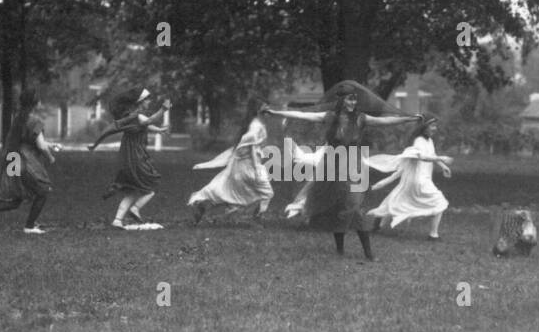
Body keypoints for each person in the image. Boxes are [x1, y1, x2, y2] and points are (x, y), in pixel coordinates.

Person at [263, 81, 422, 260]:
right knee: (339, 208)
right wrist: (276, 112)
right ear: (341, 100)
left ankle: (369, 254)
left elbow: (385, 121)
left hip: (353, 167)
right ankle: (340, 250)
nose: (352, 103)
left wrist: (409, 118)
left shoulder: (361, 118)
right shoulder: (330, 116)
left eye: (354, 100)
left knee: (355, 207)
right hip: (332, 166)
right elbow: (301, 115)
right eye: (349, 100)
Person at [0, 89, 61, 235]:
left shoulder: (19, 118)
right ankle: (29, 227)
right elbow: (40, 146)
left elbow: (29, 141)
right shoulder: (36, 121)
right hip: (25, 161)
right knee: (43, 191)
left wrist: (51, 145)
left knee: (16, 199)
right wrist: (50, 157)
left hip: (12, 159)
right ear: (36, 103)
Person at [90, 87, 171, 228]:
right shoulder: (137, 116)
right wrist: (164, 109)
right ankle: (135, 209)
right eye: (147, 99)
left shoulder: (134, 116)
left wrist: (159, 130)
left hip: (130, 157)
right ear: (140, 101)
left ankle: (117, 220)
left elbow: (146, 125)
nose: (149, 101)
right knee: (151, 184)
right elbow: (149, 120)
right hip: (136, 157)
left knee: (133, 190)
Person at [364, 116, 453, 240]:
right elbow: (422, 156)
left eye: (435, 126)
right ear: (424, 127)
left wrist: (443, 166)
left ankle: (377, 226)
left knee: (395, 200)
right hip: (419, 180)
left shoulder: (428, 141)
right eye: (432, 126)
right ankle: (433, 235)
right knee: (440, 201)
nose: (435, 128)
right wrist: (441, 158)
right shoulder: (418, 141)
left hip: (418, 179)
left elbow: (432, 155)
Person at [189, 100, 273, 224]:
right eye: (265, 107)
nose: (269, 109)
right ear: (258, 109)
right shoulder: (256, 126)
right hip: (248, 166)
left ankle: (204, 206)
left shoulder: (257, 123)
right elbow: (252, 148)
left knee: (233, 192)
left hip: (244, 165)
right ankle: (257, 220)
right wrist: (256, 167)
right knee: (267, 192)